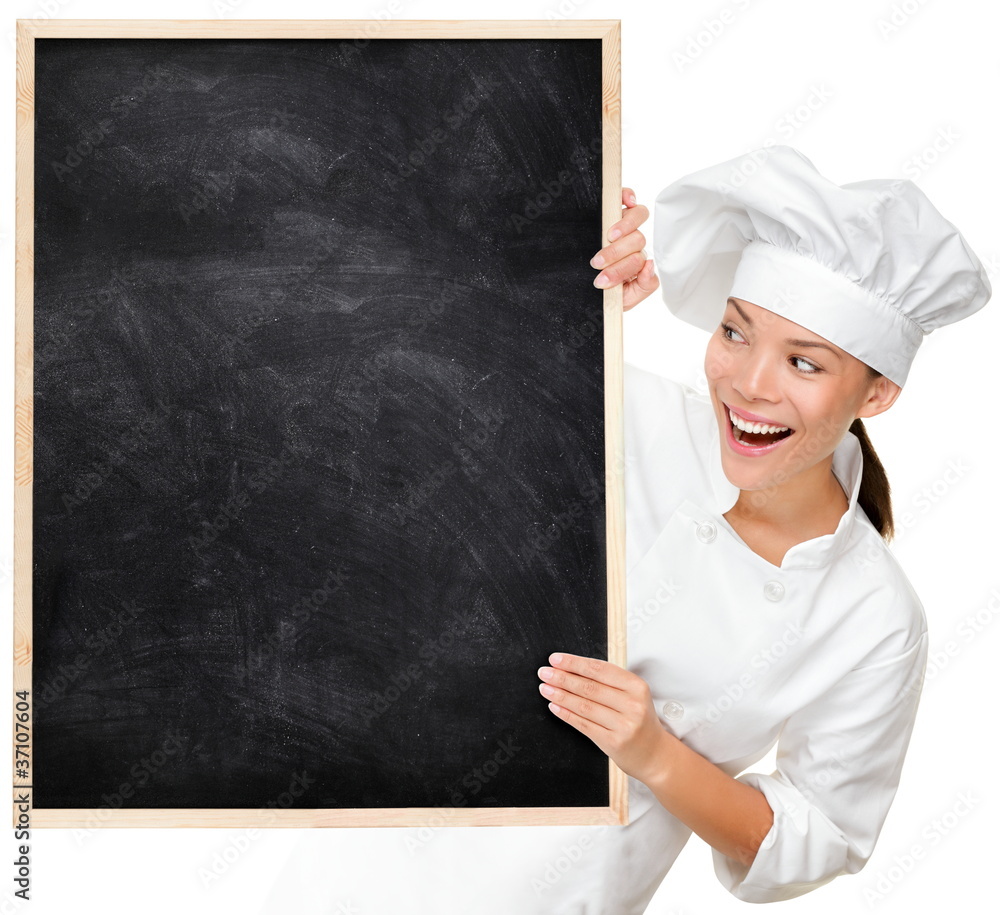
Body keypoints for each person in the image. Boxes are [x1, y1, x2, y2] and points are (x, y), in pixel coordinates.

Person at [259, 146, 990, 914]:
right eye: (736, 333)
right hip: (345, 881)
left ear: (877, 392)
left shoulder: (873, 616)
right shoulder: (613, 410)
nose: (749, 383)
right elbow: (393, 379)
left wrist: (654, 754)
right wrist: (563, 299)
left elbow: (813, 840)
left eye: (804, 364)